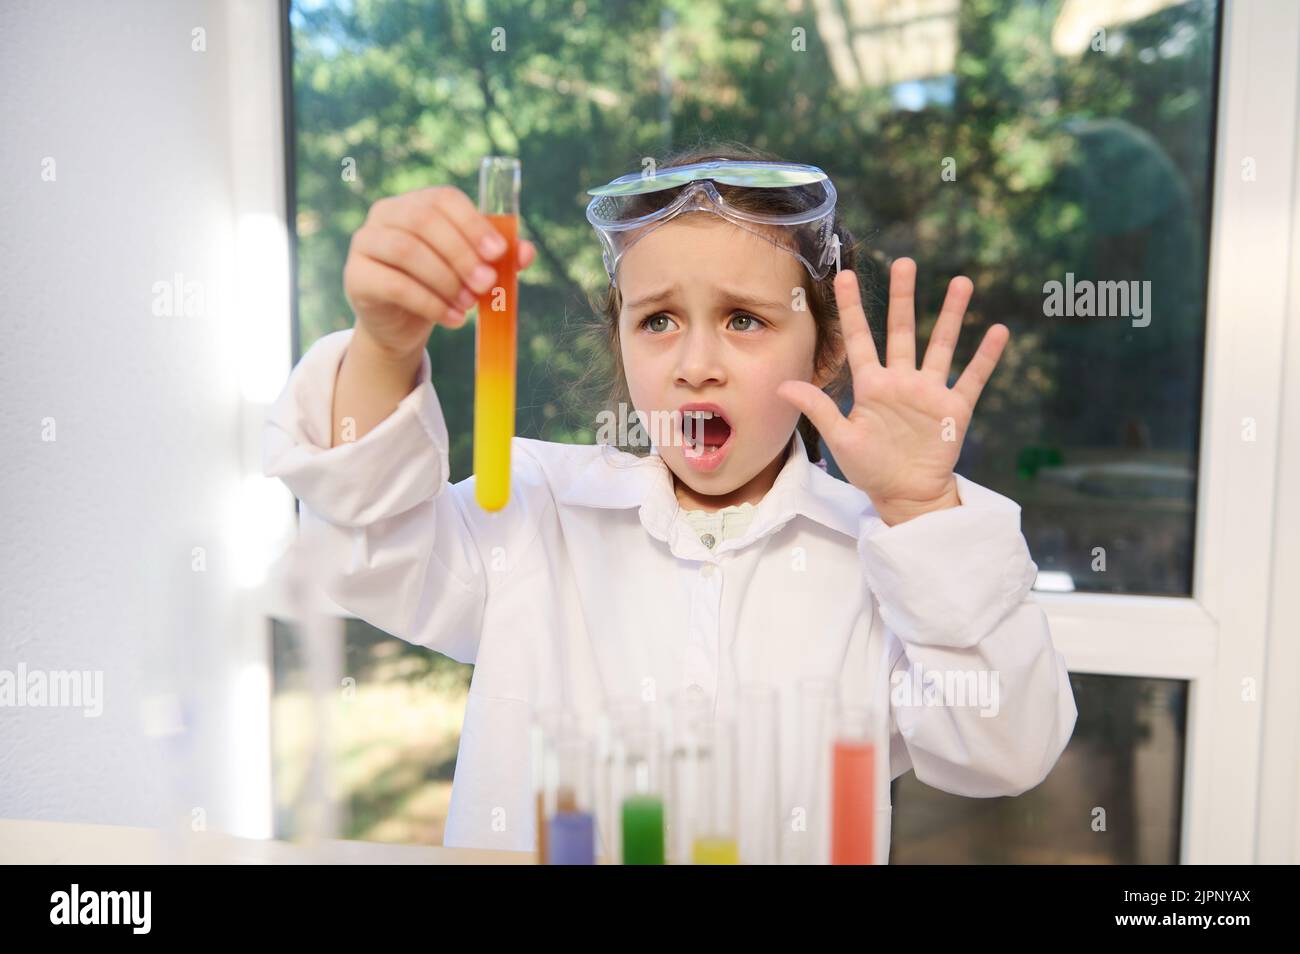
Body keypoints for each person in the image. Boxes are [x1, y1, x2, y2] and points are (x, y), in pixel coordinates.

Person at [262, 142, 1077, 861]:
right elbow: (367, 547)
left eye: (745, 319)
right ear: (620, 343)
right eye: (657, 321)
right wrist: (384, 347)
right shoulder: (541, 511)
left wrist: (922, 511)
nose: (695, 363)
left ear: (827, 349)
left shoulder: (884, 557)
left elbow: (1005, 745)